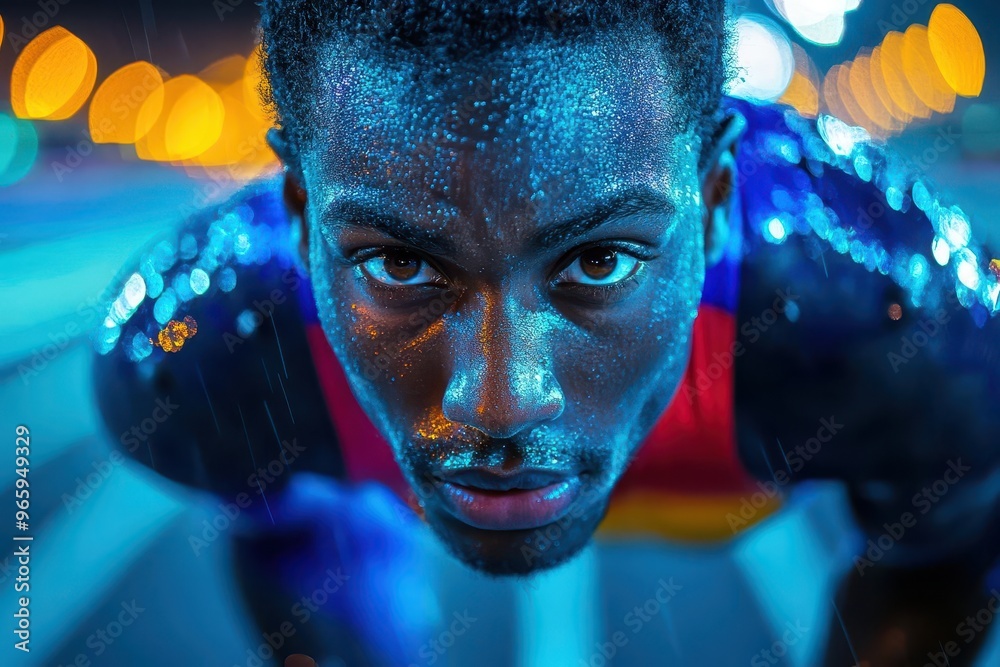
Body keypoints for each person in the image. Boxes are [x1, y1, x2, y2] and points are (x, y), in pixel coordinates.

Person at [91, 0, 1000, 664]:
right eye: (401, 266)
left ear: (716, 203)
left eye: (599, 262)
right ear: (297, 220)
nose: (501, 402)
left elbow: (942, 552)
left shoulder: (896, 323)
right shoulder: (197, 362)